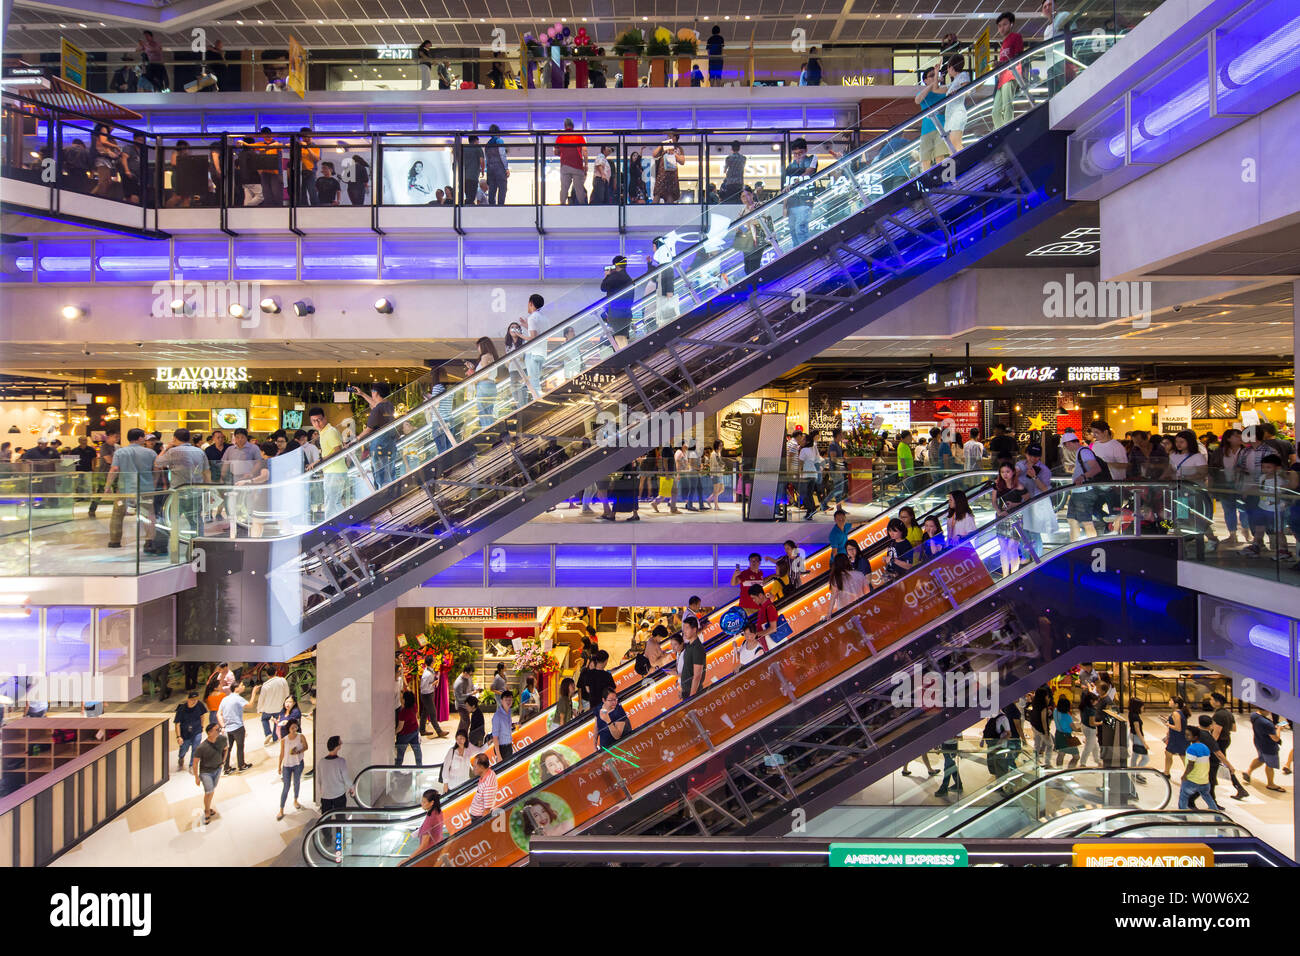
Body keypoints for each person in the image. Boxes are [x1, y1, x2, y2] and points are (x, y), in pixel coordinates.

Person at [104, 427, 157, 551]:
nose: (144, 439)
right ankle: (149, 540)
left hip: (124, 489)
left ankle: (115, 540)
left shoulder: (120, 452)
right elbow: (156, 469)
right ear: (139, 438)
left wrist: (107, 486)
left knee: (117, 514)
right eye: (143, 436)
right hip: (145, 488)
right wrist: (154, 482)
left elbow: (114, 469)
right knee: (148, 514)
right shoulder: (150, 453)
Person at [353, 382, 397, 486]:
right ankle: (391, 494)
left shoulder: (377, 410)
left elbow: (369, 429)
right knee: (390, 472)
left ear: (376, 392)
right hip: (390, 444)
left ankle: (384, 496)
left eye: (372, 391)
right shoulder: (389, 406)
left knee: (380, 474)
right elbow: (376, 404)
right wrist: (363, 394)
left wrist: (356, 439)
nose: (371, 394)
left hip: (379, 445)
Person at [993, 462, 1028, 577]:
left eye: (1007, 472)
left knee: (1012, 547)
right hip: (1001, 518)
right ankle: (1005, 575)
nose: (1005, 475)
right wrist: (999, 512)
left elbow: (1027, 500)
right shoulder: (997, 485)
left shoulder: (1019, 486)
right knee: (1003, 548)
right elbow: (993, 502)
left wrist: (1014, 504)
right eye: (1002, 472)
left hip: (1015, 518)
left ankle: (1013, 575)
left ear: (1013, 472)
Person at [782, 137, 818, 246]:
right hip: (792, 203)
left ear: (805, 150)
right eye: (795, 154)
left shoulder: (811, 159)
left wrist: (793, 184)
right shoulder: (790, 167)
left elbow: (809, 171)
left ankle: (805, 252)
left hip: (805, 200)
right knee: (793, 231)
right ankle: (797, 254)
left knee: (800, 229)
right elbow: (785, 188)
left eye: (800, 153)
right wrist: (784, 206)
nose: (798, 156)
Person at [992, 12, 1025, 128]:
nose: (1002, 28)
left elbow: (1018, 56)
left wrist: (1001, 63)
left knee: (1007, 107)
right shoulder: (1003, 43)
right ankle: (1001, 134)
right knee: (995, 112)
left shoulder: (1016, 37)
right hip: (1002, 78)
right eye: (999, 25)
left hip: (1011, 75)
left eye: (1004, 24)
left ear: (1011, 24)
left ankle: (1007, 131)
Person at [913, 65, 948, 172]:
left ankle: (942, 178)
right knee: (925, 159)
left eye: (936, 74)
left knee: (940, 156)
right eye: (932, 75)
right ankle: (927, 180)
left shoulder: (943, 90)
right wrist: (933, 83)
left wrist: (935, 83)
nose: (935, 77)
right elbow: (917, 100)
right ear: (925, 80)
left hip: (942, 127)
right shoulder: (923, 93)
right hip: (926, 130)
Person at [193, 722, 228, 823]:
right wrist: (196, 777)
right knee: (209, 791)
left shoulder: (222, 739)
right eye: (216, 730)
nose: (219, 731)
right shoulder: (202, 747)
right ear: (209, 732)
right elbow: (195, 763)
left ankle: (208, 807)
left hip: (217, 769)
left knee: (211, 790)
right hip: (206, 772)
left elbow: (226, 749)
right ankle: (207, 811)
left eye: (219, 729)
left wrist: (223, 761)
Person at [1245, 708, 1286, 791]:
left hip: (1258, 742)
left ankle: (1248, 772)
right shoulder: (1267, 723)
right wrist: (1279, 729)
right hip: (1268, 746)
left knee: (1261, 758)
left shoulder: (1254, 715)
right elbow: (1276, 738)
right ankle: (1271, 784)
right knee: (1270, 765)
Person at [465, 337, 501, 429]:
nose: (478, 349)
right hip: (491, 386)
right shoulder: (492, 356)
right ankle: (490, 432)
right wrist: (473, 369)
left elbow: (485, 374)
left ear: (483, 346)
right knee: (488, 412)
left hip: (484, 386)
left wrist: (474, 380)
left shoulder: (485, 356)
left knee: (483, 413)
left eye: (478, 346)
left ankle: (487, 432)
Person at [1179, 726, 1218, 810]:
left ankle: (1182, 816)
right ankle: (1217, 815)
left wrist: (1184, 775)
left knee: (1183, 798)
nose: (1186, 736)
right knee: (1208, 798)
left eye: (1188, 735)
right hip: (1204, 780)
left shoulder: (1191, 749)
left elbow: (1191, 765)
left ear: (1195, 737)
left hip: (1192, 780)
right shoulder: (1205, 747)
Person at [276, 719, 308, 820]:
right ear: (288, 728)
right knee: (286, 787)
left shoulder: (301, 736)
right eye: (292, 727)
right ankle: (281, 809)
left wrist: (298, 751)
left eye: (295, 727)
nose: (294, 729)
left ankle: (295, 800)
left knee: (297, 782)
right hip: (287, 765)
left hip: (298, 763)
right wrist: (279, 766)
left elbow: (306, 747)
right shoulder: (284, 740)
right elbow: (281, 753)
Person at [218, 680, 252, 773]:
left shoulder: (224, 699)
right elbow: (251, 705)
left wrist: (223, 726)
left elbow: (218, 714)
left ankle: (226, 768)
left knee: (228, 748)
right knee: (240, 747)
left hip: (227, 728)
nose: (244, 686)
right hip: (238, 727)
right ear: (236, 688)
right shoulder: (238, 698)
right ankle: (241, 765)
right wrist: (254, 692)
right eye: (242, 685)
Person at [317, 735, 354, 819]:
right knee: (340, 819)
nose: (341, 744)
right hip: (339, 794)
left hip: (325, 795)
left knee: (326, 819)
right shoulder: (341, 761)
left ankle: (326, 832)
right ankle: (339, 832)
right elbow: (346, 778)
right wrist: (352, 787)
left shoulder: (321, 762)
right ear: (337, 746)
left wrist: (322, 791)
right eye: (340, 742)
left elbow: (319, 780)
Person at [555, 118, 587, 204]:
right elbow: (584, 151)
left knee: (564, 188)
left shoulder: (560, 136)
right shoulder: (578, 135)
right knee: (579, 189)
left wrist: (563, 154)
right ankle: (583, 207)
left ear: (565, 126)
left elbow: (556, 152)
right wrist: (586, 165)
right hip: (578, 166)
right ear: (573, 126)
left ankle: (562, 205)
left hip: (565, 166)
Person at [175, 691, 207, 772]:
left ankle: (192, 765)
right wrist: (179, 737)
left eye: (196, 699)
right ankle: (181, 757)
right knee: (184, 749)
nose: (194, 701)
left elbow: (202, 716)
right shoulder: (181, 709)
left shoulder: (199, 705)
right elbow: (177, 723)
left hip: (197, 731)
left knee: (196, 748)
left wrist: (201, 726)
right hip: (185, 734)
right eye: (192, 700)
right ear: (188, 699)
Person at [407, 790, 444, 861]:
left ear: (432, 803)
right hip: (437, 849)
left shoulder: (430, 819)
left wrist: (409, 859)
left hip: (429, 855)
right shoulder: (438, 812)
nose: (422, 804)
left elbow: (424, 845)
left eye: (424, 802)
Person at [257, 668, 290, 745]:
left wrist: (259, 709)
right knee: (277, 721)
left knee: (264, 719)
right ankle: (275, 737)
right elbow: (287, 693)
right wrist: (287, 704)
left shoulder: (265, 685)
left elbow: (261, 698)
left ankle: (268, 733)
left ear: (267, 675)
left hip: (267, 708)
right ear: (276, 672)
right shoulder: (282, 681)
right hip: (279, 707)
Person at [678, 617, 708, 699]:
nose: (684, 631)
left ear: (694, 630)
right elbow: (686, 668)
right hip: (686, 691)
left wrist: (692, 696)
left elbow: (697, 675)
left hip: (693, 693)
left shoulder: (697, 648)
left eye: (687, 628)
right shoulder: (689, 646)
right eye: (683, 629)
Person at [653, 131, 685, 204]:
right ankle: (652, 212)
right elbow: (654, 154)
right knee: (657, 193)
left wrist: (674, 153)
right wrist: (662, 145)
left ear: (675, 137)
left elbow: (682, 161)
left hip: (672, 174)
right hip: (662, 173)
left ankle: (669, 212)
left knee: (670, 195)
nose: (668, 137)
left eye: (670, 136)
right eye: (668, 136)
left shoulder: (679, 148)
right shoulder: (664, 146)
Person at [418, 655, 446, 738]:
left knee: (425, 713)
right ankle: (439, 731)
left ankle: (422, 730)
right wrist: (433, 684)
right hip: (427, 695)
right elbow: (423, 687)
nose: (435, 662)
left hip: (429, 694)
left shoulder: (430, 670)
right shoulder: (427, 674)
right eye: (434, 660)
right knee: (433, 713)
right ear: (431, 662)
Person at [881, 518, 916, 583]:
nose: (891, 533)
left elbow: (909, 565)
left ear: (901, 531)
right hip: (892, 578)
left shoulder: (906, 544)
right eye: (890, 531)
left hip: (904, 579)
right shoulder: (892, 542)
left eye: (895, 531)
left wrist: (893, 560)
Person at [1162, 695, 1190, 775]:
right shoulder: (1180, 712)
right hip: (1178, 737)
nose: (1169, 702)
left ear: (1176, 704)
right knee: (1169, 754)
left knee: (1181, 756)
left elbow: (1178, 728)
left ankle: (1167, 772)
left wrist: (1168, 724)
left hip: (1177, 738)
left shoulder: (1176, 713)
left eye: (1171, 701)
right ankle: (1166, 772)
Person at [467, 753, 499, 821]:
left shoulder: (488, 784)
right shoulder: (487, 774)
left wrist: (480, 825)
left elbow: (487, 810)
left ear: (481, 767)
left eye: (475, 767)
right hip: (476, 816)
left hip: (478, 818)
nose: (473, 769)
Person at [395, 689, 422, 766]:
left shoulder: (403, 712)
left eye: (402, 697)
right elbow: (416, 717)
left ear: (404, 700)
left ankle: (397, 768)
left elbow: (400, 727)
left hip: (404, 735)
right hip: (414, 731)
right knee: (417, 750)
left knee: (400, 753)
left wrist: (393, 733)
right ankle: (420, 766)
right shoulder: (414, 706)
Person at [1053, 695, 1079, 768]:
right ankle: (1069, 770)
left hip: (1058, 734)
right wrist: (1079, 728)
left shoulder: (1055, 711)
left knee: (1061, 754)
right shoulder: (1067, 716)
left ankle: (1059, 771)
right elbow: (1074, 728)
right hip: (1067, 737)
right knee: (1076, 756)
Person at [490, 690, 515, 759]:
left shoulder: (509, 711)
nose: (508, 702)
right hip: (501, 748)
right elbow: (495, 737)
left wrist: (513, 725)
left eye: (510, 700)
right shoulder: (497, 716)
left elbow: (506, 725)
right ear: (501, 701)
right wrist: (498, 756)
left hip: (509, 746)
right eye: (506, 700)